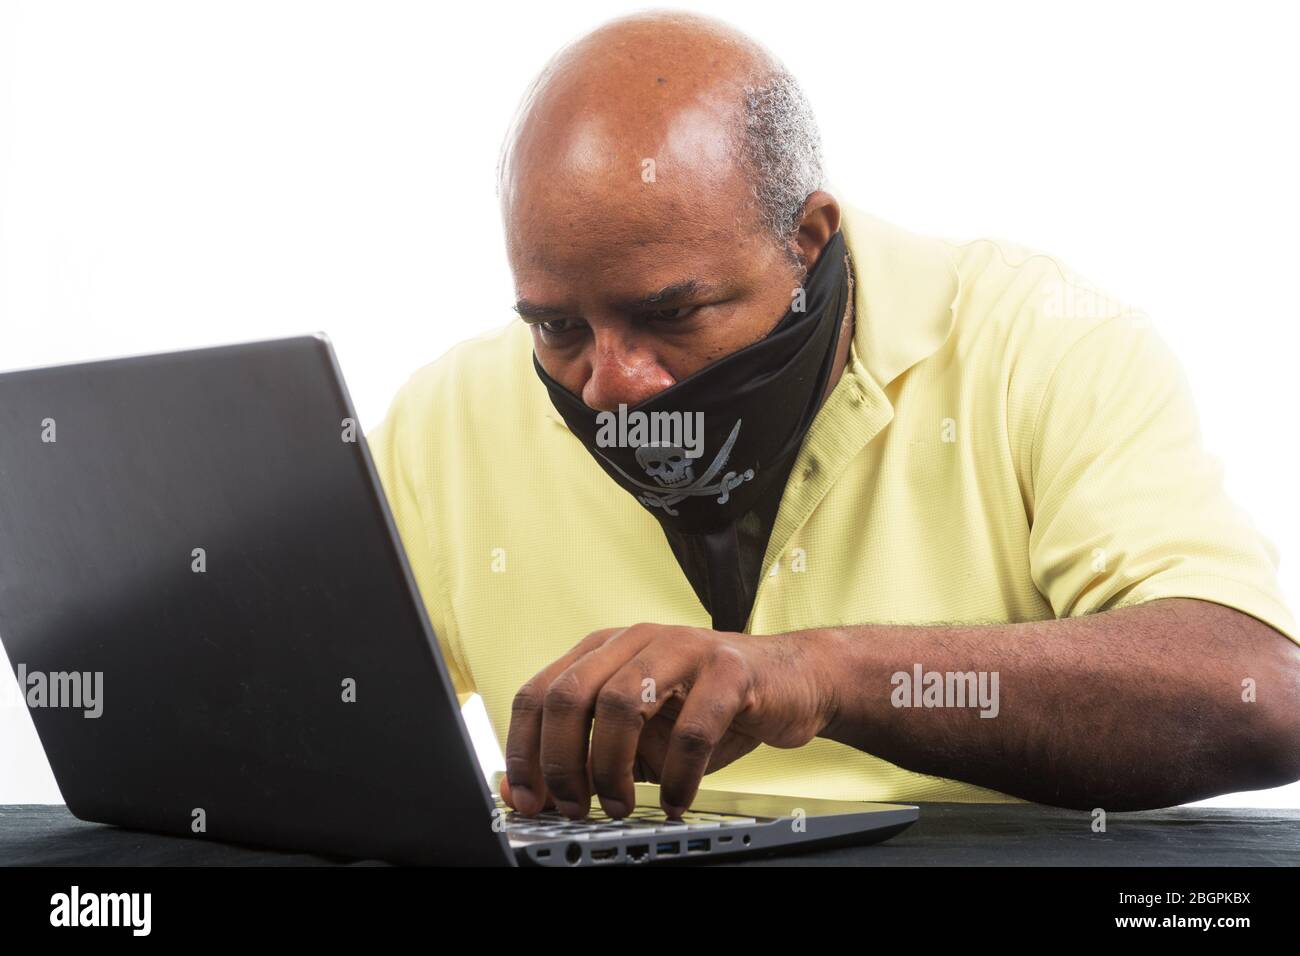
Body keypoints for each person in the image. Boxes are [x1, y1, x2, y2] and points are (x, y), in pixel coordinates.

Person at [368, 11, 1300, 820]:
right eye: (559, 325)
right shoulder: (448, 415)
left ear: (809, 237)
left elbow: (1259, 696)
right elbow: (299, 703)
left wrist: (816, 673)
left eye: (669, 314)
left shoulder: (1042, 347)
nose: (611, 385)